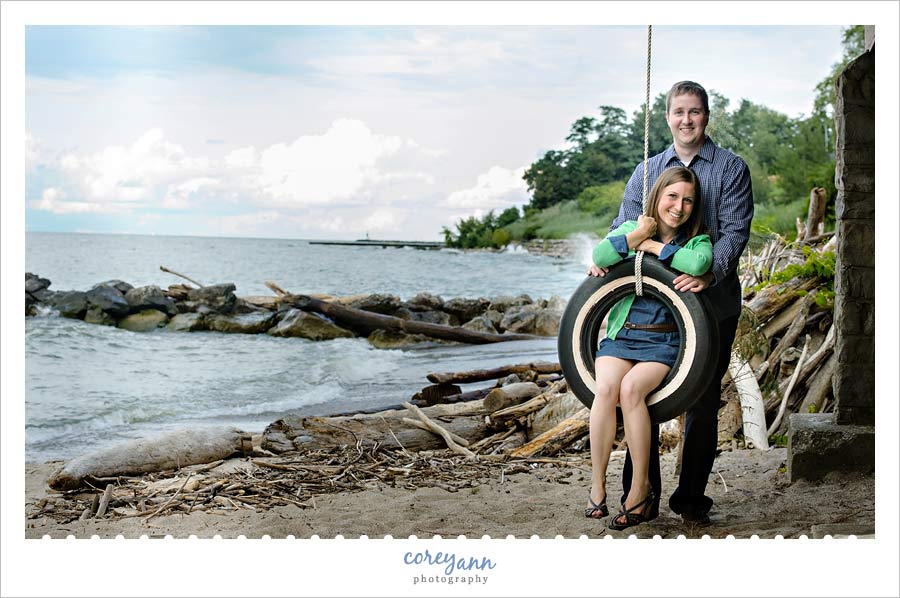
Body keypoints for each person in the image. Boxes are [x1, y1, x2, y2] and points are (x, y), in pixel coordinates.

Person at [595, 80, 754, 525]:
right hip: (652, 311)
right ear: (667, 117)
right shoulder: (647, 171)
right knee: (642, 398)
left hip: (713, 306)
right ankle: (638, 496)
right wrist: (606, 260)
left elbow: (735, 233)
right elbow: (623, 227)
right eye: (679, 112)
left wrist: (708, 271)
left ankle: (689, 500)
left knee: (702, 404)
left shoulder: (731, 168)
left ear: (707, 116)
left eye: (696, 112)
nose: (687, 120)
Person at [584, 166, 712, 530]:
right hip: (622, 334)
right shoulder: (631, 229)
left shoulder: (696, 239)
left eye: (687, 200)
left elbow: (699, 263)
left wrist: (652, 245)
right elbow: (601, 253)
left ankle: (640, 489)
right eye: (672, 196)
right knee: (606, 389)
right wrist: (636, 235)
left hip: (664, 340)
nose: (679, 206)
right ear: (657, 197)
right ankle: (597, 486)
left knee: (630, 390)